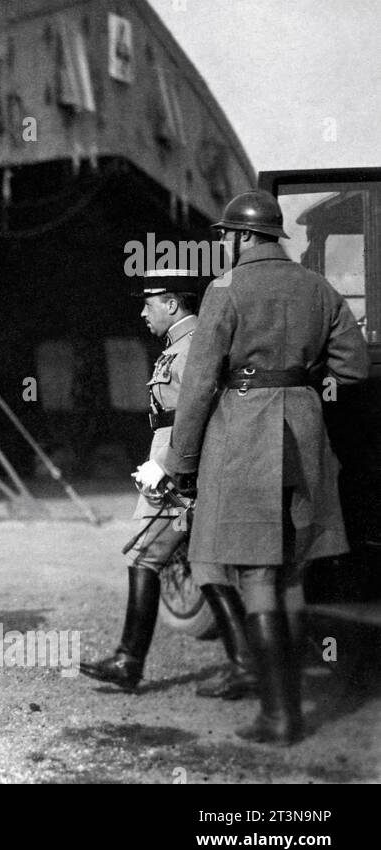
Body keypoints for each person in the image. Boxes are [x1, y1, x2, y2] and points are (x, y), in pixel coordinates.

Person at [139, 190, 369, 744]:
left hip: (245, 437)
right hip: (305, 434)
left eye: (226, 236)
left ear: (241, 237)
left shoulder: (226, 289)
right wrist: (302, 377)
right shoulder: (317, 286)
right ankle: (283, 706)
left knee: (257, 572)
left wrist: (181, 464)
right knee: (291, 572)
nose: (225, 245)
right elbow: (354, 367)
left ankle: (280, 713)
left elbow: (197, 387)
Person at [81, 268, 255, 699]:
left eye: (149, 303)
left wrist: (178, 471)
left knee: (144, 555)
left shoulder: (194, 346)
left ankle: (128, 661)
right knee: (206, 566)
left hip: (177, 473)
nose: (143, 313)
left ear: (172, 303)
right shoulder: (181, 345)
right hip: (177, 465)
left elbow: (200, 414)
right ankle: (245, 665)